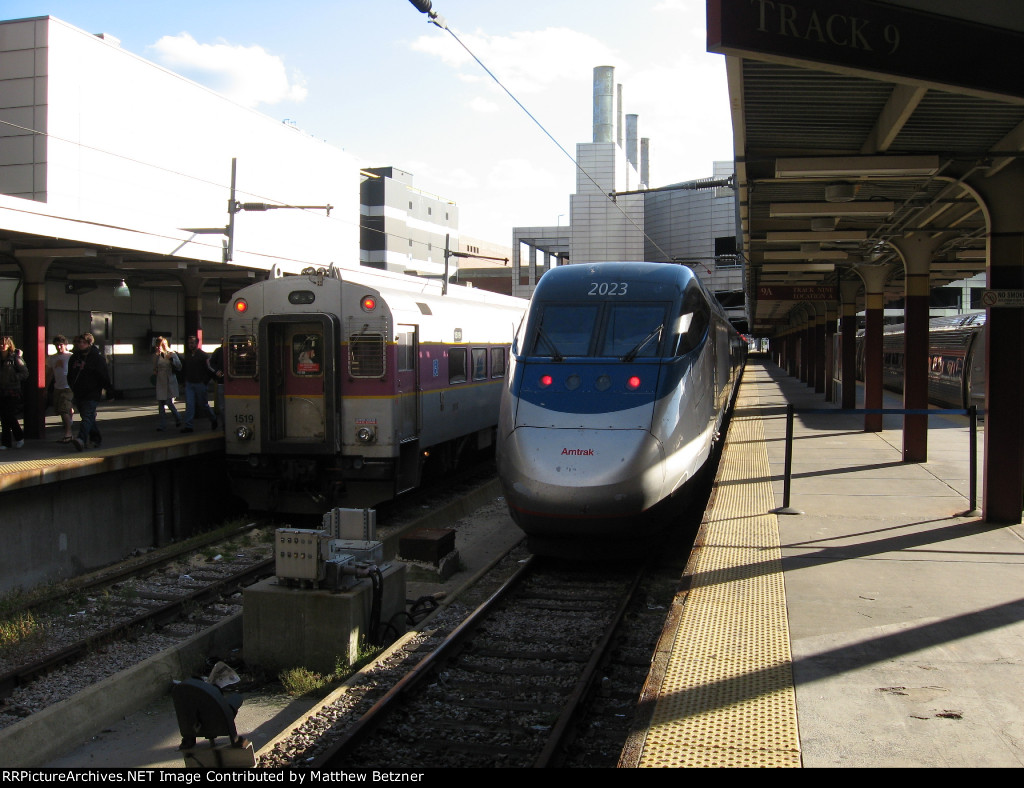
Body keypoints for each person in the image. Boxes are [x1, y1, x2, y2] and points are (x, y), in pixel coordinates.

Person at [67, 333, 112, 451]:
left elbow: (104, 376)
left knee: (87, 416)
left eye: (84, 342)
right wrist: (72, 386)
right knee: (88, 417)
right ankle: (96, 438)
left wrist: (109, 391)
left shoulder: (97, 359)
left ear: (89, 344)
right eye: (79, 342)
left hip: (92, 392)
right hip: (78, 392)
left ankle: (81, 439)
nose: (80, 344)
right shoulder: (74, 358)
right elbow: (70, 374)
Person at [180, 335, 218, 434]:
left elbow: (209, 369)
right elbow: (185, 369)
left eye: (192, 343)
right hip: (190, 384)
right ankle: (189, 426)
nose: (190, 345)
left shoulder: (203, 356)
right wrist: (185, 381)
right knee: (190, 404)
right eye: (189, 343)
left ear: (196, 344)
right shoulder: (188, 356)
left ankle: (213, 418)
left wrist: (205, 381)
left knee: (203, 405)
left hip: (200, 384)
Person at [0, 336, 29, 450]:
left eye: (4, 344)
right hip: (2, 391)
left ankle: (19, 436)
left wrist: (14, 377)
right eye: (1, 343)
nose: (2, 346)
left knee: (9, 415)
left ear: (9, 345)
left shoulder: (14, 358)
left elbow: (25, 373)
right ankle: (6, 442)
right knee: (4, 416)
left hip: (13, 391)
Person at [46, 334, 74, 443]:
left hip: (68, 387)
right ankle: (69, 418)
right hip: (58, 387)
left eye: (61, 345)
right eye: (56, 345)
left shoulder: (70, 356)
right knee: (59, 409)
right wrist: (45, 388)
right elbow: (49, 374)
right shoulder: (52, 358)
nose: (58, 347)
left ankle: (68, 433)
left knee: (63, 410)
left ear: (65, 345)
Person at [153, 337, 182, 431]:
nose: (159, 347)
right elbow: (155, 366)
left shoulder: (171, 353)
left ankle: (177, 417)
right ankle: (162, 424)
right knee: (161, 403)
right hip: (160, 380)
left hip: (169, 379)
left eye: (161, 345)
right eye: (158, 345)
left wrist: (171, 359)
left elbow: (179, 365)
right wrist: (155, 369)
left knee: (169, 402)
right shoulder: (157, 355)